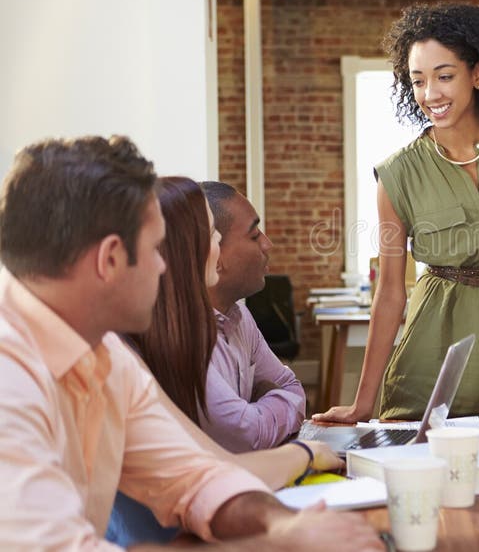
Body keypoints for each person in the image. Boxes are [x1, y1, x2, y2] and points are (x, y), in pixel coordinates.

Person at [0, 135, 382, 550]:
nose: (166, 266)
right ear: (110, 259)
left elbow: (195, 477)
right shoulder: (10, 380)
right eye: (154, 249)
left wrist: (283, 525)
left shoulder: (104, 354)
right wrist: (277, 542)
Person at [314, 2, 479, 422]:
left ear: (478, 75)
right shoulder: (396, 175)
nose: (430, 94)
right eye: (418, 81)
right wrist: (364, 402)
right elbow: (391, 293)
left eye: (444, 76)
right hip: (431, 357)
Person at [107, 176, 345, 546]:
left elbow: (214, 469)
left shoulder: (126, 358)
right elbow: (234, 446)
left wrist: (297, 474)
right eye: (213, 239)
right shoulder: (118, 354)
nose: (216, 250)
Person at [198, 180, 306, 452]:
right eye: (254, 234)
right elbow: (245, 433)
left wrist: (261, 406)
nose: (267, 244)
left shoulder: (239, 316)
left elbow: (292, 387)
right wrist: (263, 403)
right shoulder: (185, 334)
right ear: (215, 253)